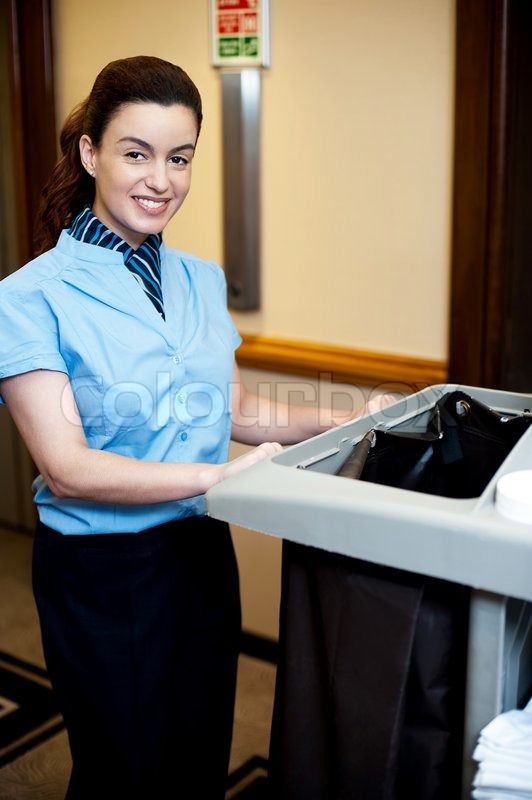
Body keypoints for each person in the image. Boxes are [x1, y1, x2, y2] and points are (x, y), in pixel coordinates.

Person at [0, 55, 391, 799]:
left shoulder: (199, 279)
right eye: (136, 153)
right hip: (103, 573)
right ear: (90, 153)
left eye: (179, 158)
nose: (161, 180)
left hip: (201, 551)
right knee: (124, 772)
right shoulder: (26, 299)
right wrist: (218, 476)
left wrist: (352, 420)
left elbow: (235, 410)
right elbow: (66, 466)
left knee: (199, 751)